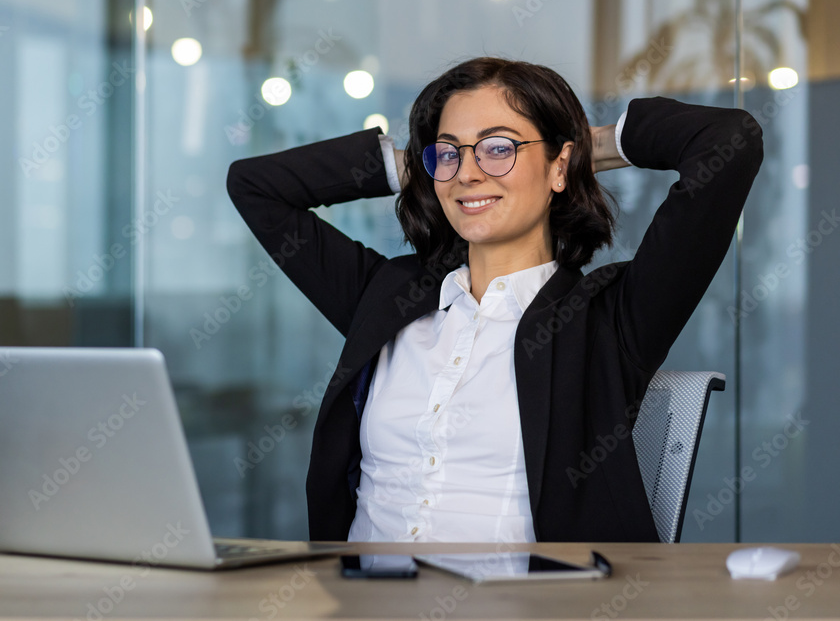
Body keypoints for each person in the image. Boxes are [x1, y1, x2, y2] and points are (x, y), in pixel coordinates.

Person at [226, 57, 763, 543]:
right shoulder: (389, 297)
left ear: (559, 167)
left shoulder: (610, 318)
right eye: (450, 152)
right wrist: (416, 166)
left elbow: (729, 141)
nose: (469, 171)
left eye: (499, 147)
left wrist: (588, 148)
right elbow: (255, 185)